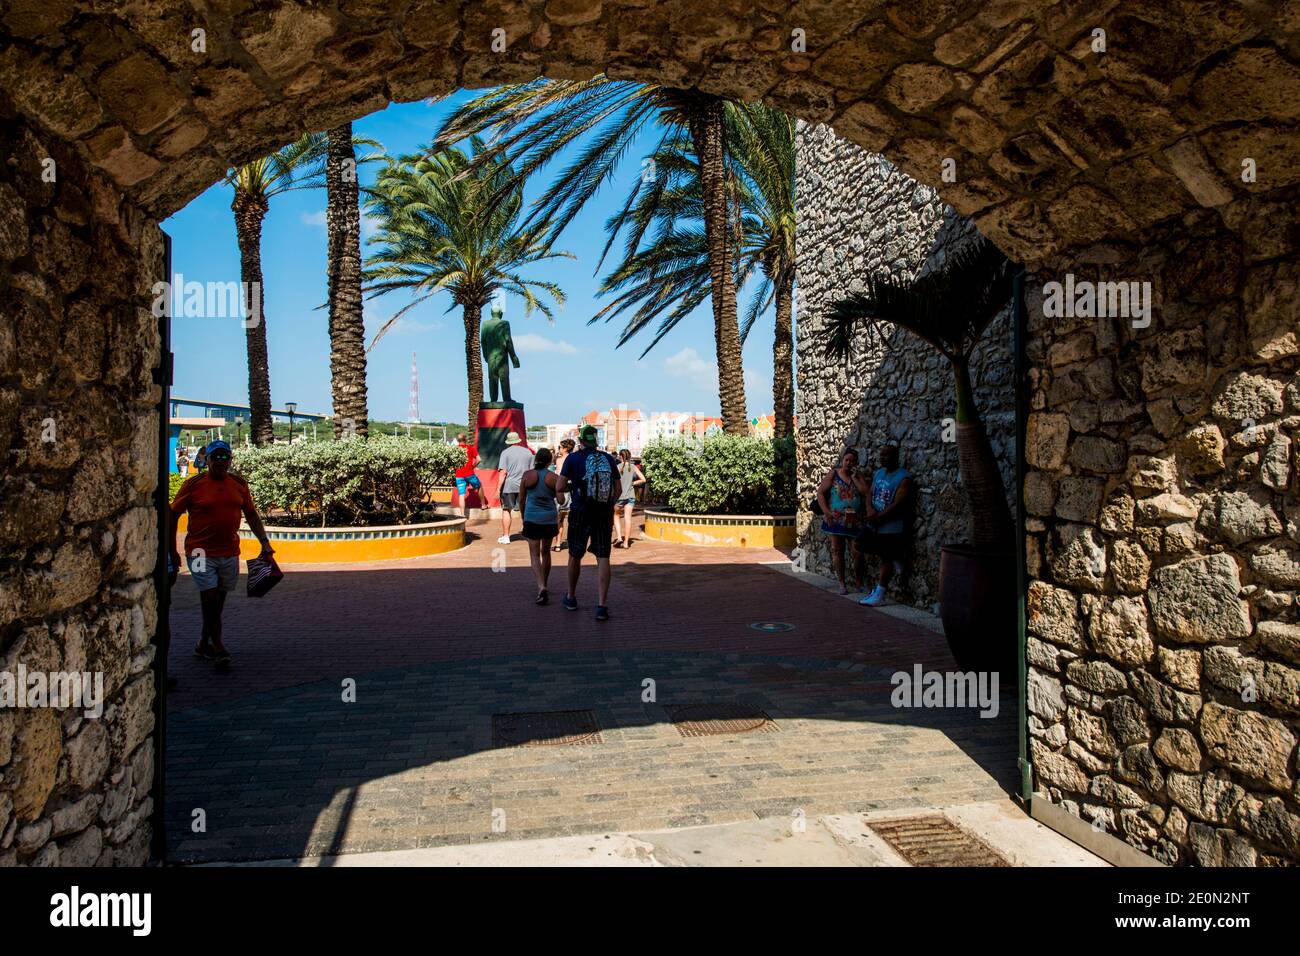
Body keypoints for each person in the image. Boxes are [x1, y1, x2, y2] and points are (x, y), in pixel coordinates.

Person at [168, 440, 274, 669]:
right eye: (215, 457)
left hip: (229, 551)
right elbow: (173, 515)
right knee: (209, 597)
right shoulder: (193, 484)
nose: (220, 461)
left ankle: (202, 643)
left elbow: (251, 514)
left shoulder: (239, 484)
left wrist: (264, 542)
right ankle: (218, 646)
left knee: (218, 600)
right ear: (206, 460)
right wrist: (171, 550)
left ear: (230, 460)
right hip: (198, 551)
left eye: (224, 457)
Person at [556, 424, 620, 620]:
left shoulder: (573, 459)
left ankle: (571, 597)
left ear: (581, 440)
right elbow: (617, 490)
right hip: (603, 513)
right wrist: (608, 504)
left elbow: (559, 485)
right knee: (603, 557)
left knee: (575, 554)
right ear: (596, 440)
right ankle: (601, 605)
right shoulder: (608, 459)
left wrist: (569, 488)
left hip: (580, 512)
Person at [858, 443, 915, 607]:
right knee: (859, 542)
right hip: (875, 523)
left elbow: (899, 504)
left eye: (886, 455)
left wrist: (879, 516)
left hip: (892, 526)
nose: (882, 458)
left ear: (896, 457)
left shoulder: (904, 478)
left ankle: (880, 592)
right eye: (881, 455)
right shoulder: (879, 473)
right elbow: (870, 493)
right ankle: (896, 557)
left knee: (886, 558)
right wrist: (869, 510)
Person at [816, 447, 868, 595]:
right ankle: (842, 584)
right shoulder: (834, 474)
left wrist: (857, 477)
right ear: (842, 460)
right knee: (838, 551)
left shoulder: (857, 476)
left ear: (856, 463)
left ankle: (859, 583)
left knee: (857, 552)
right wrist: (826, 511)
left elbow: (866, 492)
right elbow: (820, 492)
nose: (848, 463)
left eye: (852, 461)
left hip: (855, 521)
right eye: (846, 460)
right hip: (836, 520)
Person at [520, 446, 560, 604]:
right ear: (550, 461)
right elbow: (560, 498)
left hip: (532, 518)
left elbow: (521, 500)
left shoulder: (527, 475)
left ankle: (541, 586)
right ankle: (545, 583)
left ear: (536, 459)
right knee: (546, 552)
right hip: (549, 518)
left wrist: (523, 516)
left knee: (534, 554)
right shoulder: (554, 477)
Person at [497, 431, 533, 544]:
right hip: (525, 486)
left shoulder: (505, 453)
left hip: (509, 486)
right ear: (518, 440)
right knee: (525, 511)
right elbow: (532, 471)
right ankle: (528, 534)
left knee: (506, 510)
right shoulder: (528, 452)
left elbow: (503, 472)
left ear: (508, 442)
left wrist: (498, 489)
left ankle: (506, 536)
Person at [613, 449, 646, 548]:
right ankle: (626, 543)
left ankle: (619, 538)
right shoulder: (633, 467)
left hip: (619, 496)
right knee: (628, 518)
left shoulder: (617, 467)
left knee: (616, 516)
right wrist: (633, 483)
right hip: (630, 496)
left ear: (621, 456)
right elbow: (643, 479)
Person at [553, 438, 575, 552]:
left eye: (560, 447)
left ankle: (557, 544)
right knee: (572, 519)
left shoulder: (560, 460)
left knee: (559, 519)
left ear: (565, 448)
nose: (559, 449)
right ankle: (572, 541)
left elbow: (559, 476)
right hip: (573, 491)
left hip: (562, 492)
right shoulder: (575, 459)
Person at [454, 432, 481, 517]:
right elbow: (479, 459)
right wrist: (473, 466)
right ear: (465, 439)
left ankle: (462, 515)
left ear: (457, 440)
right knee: (479, 486)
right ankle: (483, 504)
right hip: (470, 474)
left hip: (459, 475)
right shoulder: (470, 448)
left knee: (461, 495)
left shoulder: (455, 450)